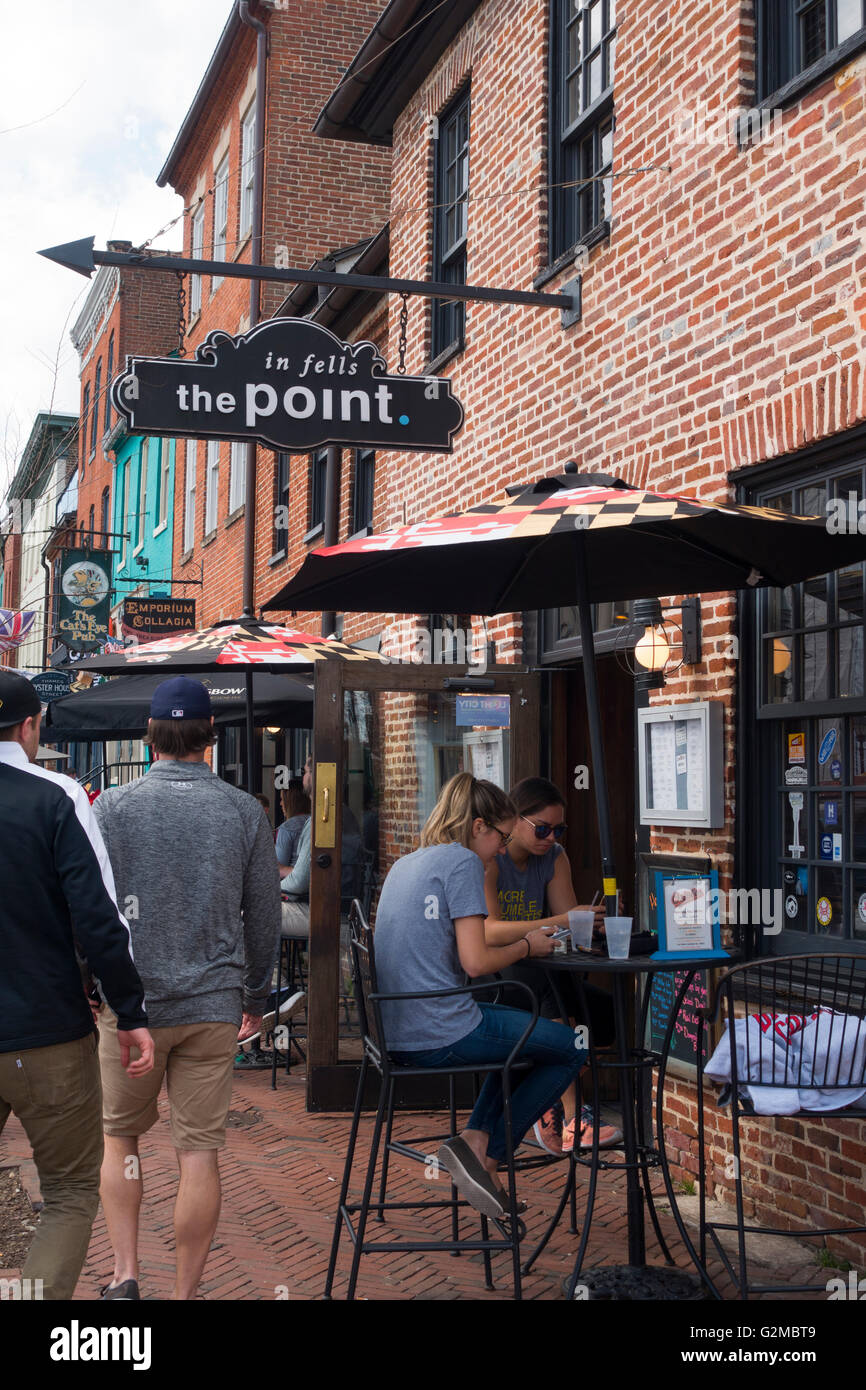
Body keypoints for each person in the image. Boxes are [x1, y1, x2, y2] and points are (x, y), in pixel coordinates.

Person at [93, 677, 281, 1301]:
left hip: (132, 1008)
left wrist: (92, 983)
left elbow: (90, 908)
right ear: (211, 737)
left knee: (121, 1138)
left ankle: (125, 1274)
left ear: (150, 735)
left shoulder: (112, 809)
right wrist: (255, 996)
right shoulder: (243, 811)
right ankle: (184, 1295)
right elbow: (264, 915)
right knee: (198, 1152)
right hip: (213, 1006)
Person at [0, 670, 153, 1301]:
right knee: (67, 1190)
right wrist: (130, 1010)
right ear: (30, 726)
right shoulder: (58, 797)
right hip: (46, 1030)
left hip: (43, 1026)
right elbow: (98, 919)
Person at [374, 773, 586, 1218]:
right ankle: (488, 1158)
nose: (502, 850)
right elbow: (476, 962)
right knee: (569, 1047)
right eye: (502, 838)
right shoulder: (463, 862)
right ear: (477, 827)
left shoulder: (407, 862)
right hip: (438, 1030)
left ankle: (476, 1138)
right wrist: (528, 946)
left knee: (523, 1039)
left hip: (394, 1031)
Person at [484, 776, 621, 1156]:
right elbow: (489, 932)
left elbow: (568, 924)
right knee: (552, 988)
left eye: (558, 829)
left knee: (603, 1010)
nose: (550, 837)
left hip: (537, 965)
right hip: (494, 971)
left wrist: (593, 922)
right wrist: (561, 921)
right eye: (542, 828)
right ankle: (574, 1117)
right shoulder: (492, 859)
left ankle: (547, 1089)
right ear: (515, 820)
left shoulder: (554, 856)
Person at [275, 778, 310, 872]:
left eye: (282, 799)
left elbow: (279, 867)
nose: (281, 803)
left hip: (292, 879)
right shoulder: (316, 822)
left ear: (290, 802)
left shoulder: (287, 828)